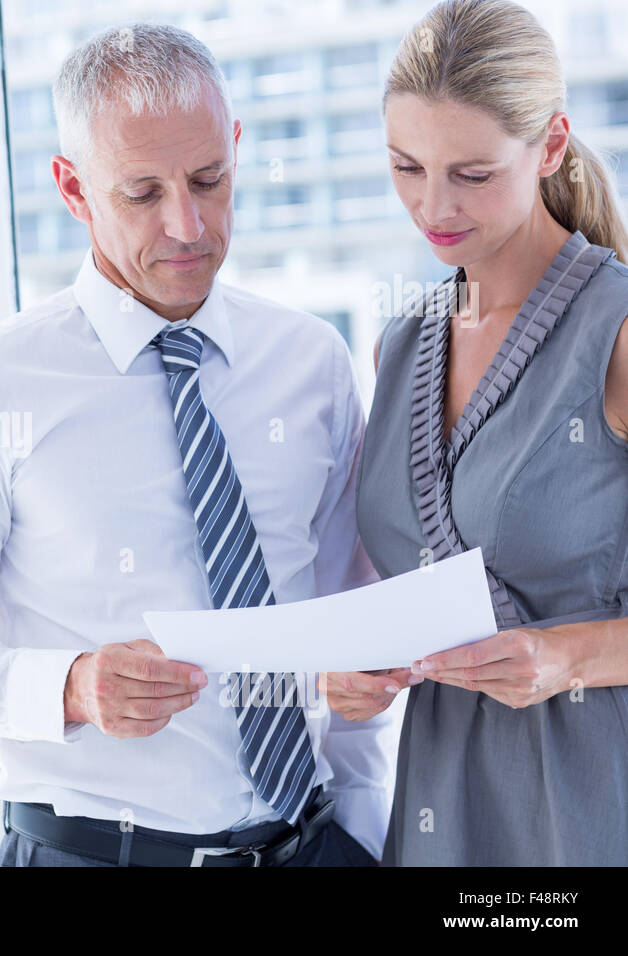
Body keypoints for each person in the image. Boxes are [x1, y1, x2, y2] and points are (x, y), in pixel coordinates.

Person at [0, 22, 394, 867]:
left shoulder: (311, 363)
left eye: (208, 180)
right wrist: (71, 687)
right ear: (74, 189)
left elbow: (349, 632)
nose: (188, 225)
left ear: (237, 148)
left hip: (308, 845)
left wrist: (365, 837)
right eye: (142, 194)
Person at [324, 0, 628, 865]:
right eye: (406, 166)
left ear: (552, 146)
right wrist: (356, 678)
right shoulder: (403, 344)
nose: (432, 206)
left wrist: (567, 658)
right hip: (444, 807)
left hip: (594, 799)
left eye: (472, 173)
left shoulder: (617, 330)